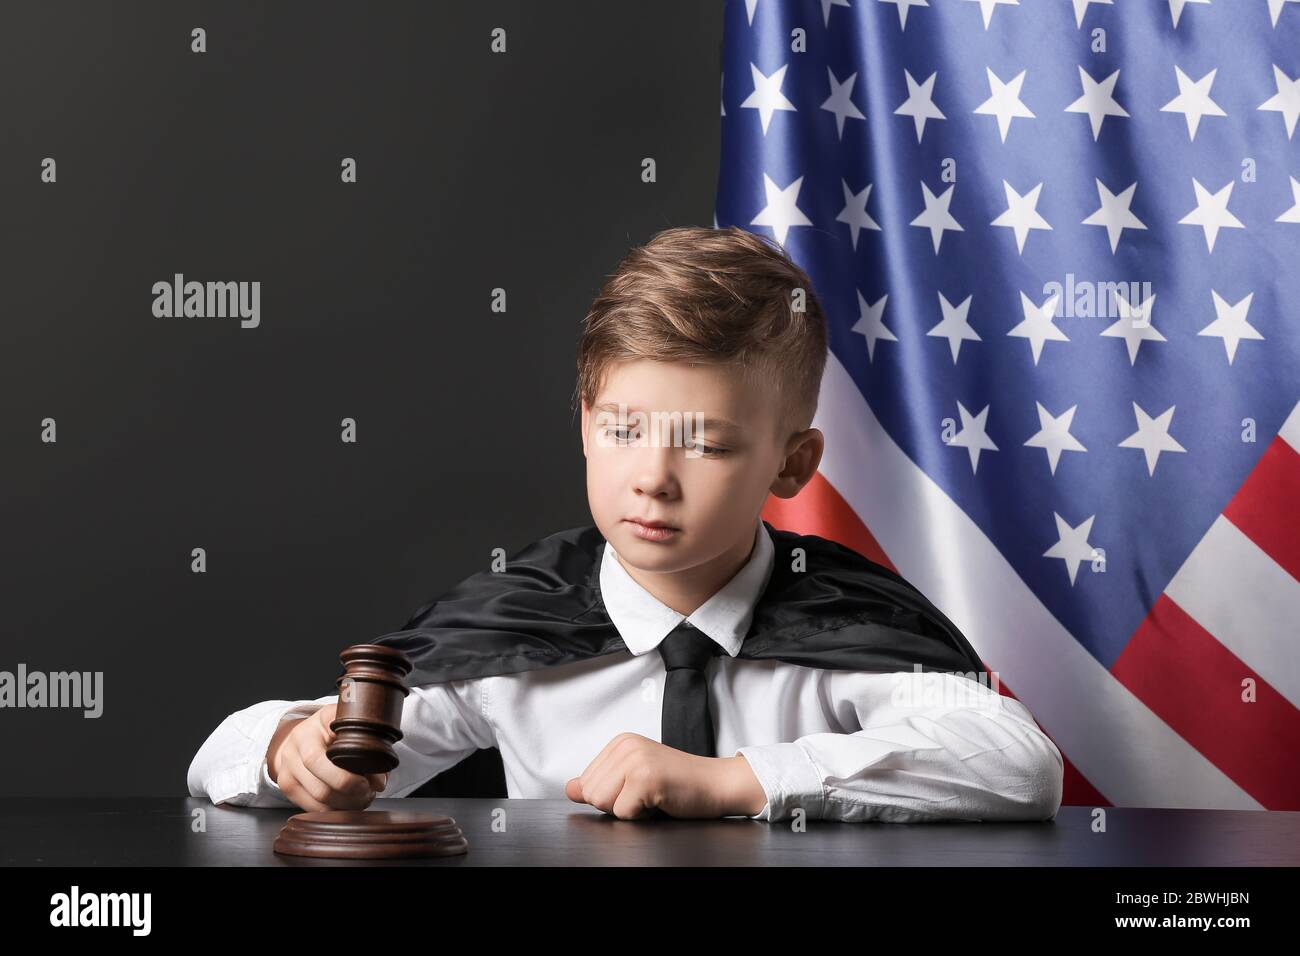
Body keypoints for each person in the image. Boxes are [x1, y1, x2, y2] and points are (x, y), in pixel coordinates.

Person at [187, 226, 1064, 824]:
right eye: (622, 431)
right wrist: (283, 750)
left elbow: (1017, 765)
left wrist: (730, 782)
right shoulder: (519, 615)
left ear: (792, 464)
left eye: (708, 445)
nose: (653, 478)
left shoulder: (841, 614)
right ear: (583, 424)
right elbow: (229, 755)